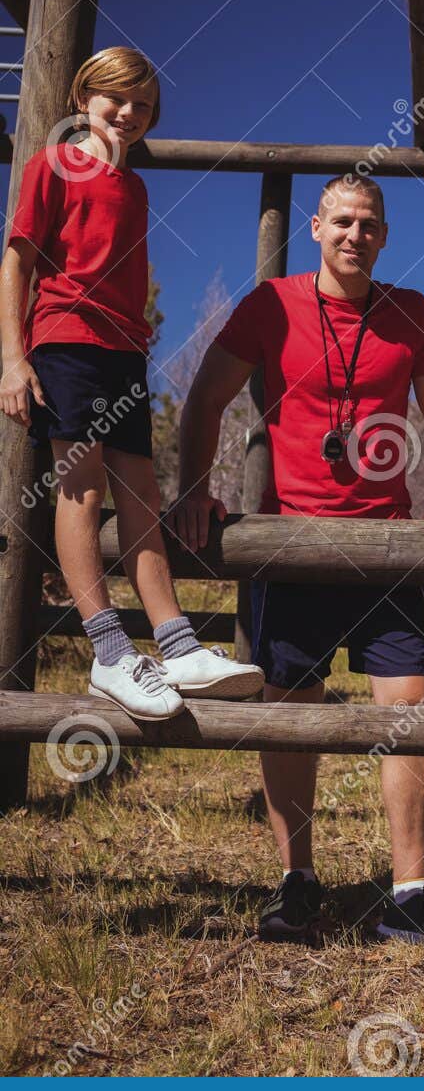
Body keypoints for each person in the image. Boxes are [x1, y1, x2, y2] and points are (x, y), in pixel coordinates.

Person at [169, 174, 424, 948]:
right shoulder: (270, 305)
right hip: (296, 540)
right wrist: (193, 493)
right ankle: (298, 882)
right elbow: (206, 397)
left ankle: (410, 894)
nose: (354, 234)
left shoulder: (409, 312)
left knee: (408, 710)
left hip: (386, 543)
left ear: (384, 235)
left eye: (369, 224)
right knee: (288, 711)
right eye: (341, 221)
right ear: (315, 227)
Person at [0, 47, 262, 720]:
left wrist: (139, 340)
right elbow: (17, 264)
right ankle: (110, 650)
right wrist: (12, 358)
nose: (129, 115)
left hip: (123, 351)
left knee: (142, 493)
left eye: (143, 106)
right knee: (81, 487)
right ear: (84, 97)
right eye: (116, 99)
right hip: (64, 339)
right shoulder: (52, 164)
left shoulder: (135, 186)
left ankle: (176, 644)